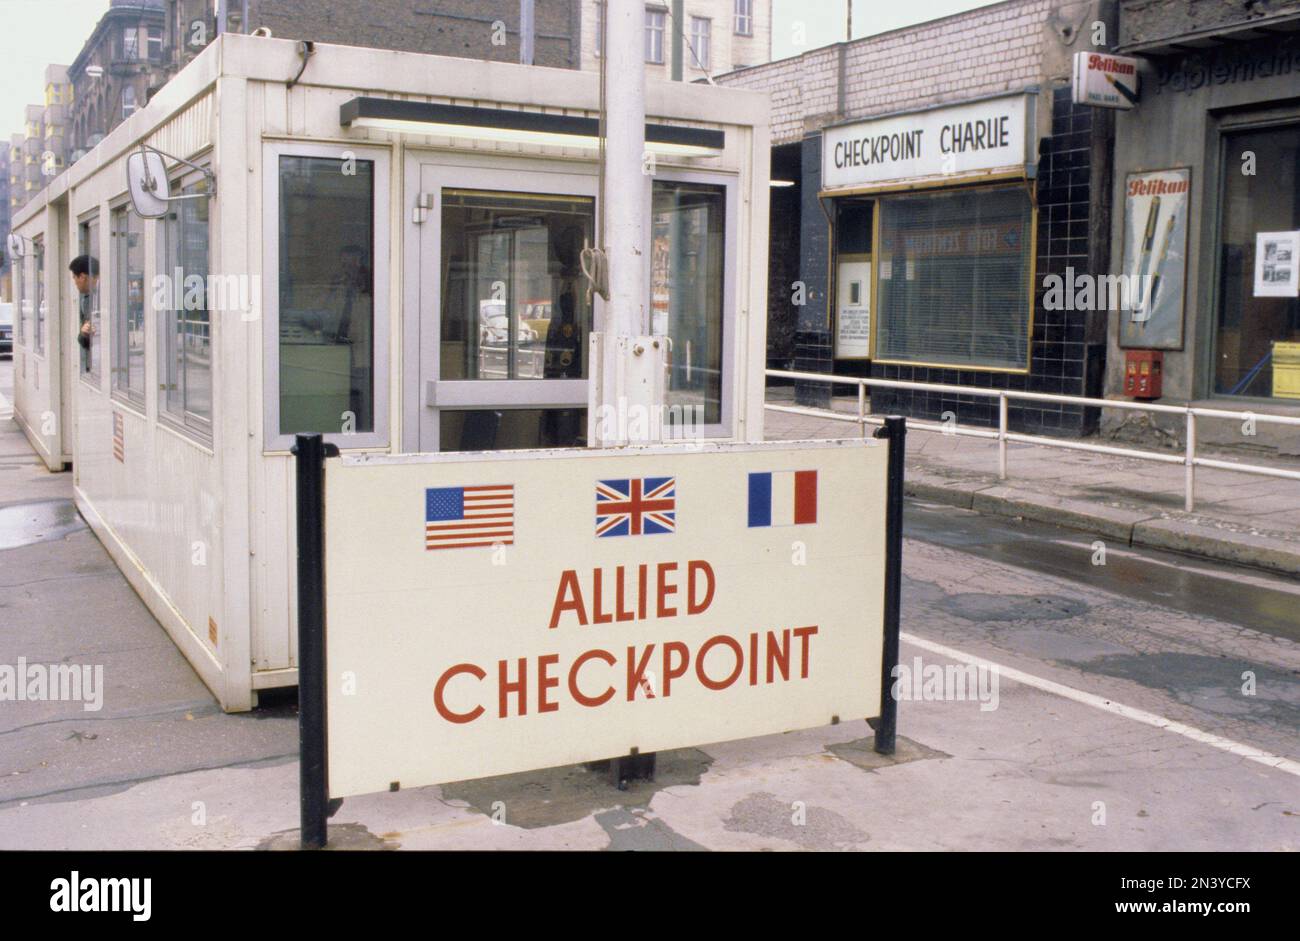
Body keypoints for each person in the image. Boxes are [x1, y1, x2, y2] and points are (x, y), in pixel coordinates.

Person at [70, 254, 99, 371]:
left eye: (74, 278)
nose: (75, 282)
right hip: (95, 365)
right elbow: (84, 342)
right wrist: (84, 333)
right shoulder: (85, 301)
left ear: (82, 277)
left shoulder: (113, 292)